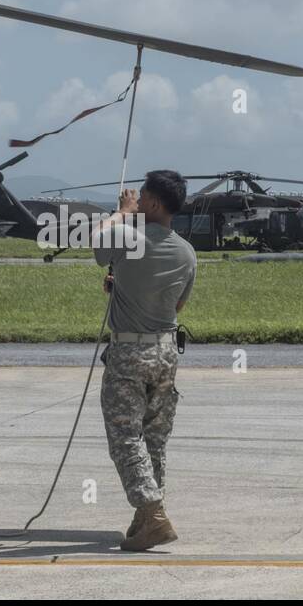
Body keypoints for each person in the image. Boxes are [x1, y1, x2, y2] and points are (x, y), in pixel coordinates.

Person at [92, 170, 196, 551]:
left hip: (129, 353)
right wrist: (124, 289)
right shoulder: (187, 251)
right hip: (166, 352)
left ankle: (151, 513)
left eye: (142, 199)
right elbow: (176, 303)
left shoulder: (128, 236)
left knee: (125, 437)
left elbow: (96, 240)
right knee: (155, 438)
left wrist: (122, 211)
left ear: (151, 203)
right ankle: (148, 517)